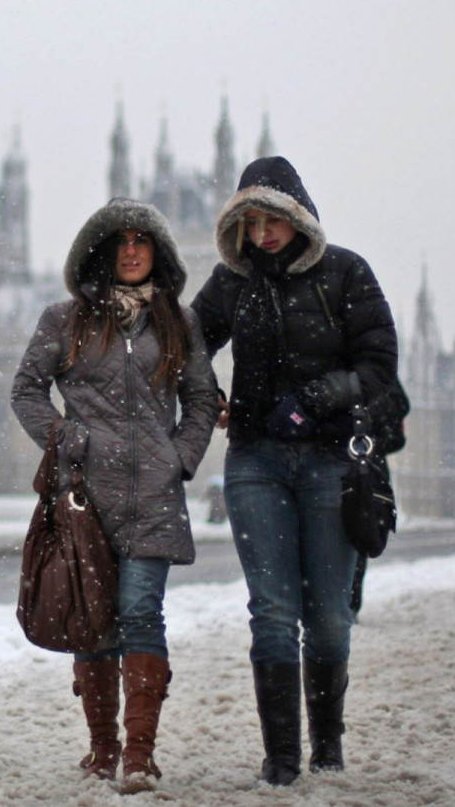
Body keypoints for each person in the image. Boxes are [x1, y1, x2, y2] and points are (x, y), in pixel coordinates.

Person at [190, 156, 404, 785]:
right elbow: (185, 343)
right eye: (251, 223)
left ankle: (327, 744)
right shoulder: (232, 283)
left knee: (330, 615)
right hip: (255, 460)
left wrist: (317, 400)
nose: (263, 234)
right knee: (273, 611)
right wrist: (209, 396)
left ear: (299, 214)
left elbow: (379, 364)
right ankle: (281, 758)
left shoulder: (345, 272)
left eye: (273, 219)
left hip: (329, 461)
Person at [12, 199, 222, 793]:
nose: (131, 250)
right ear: (100, 253)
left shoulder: (178, 323)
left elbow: (203, 398)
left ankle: (139, 754)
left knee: (140, 613)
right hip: (88, 498)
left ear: (158, 251)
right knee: (96, 622)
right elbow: (25, 391)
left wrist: (179, 457)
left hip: (154, 497)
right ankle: (102, 748)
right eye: (120, 241)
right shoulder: (64, 320)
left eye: (143, 240)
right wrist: (68, 439)